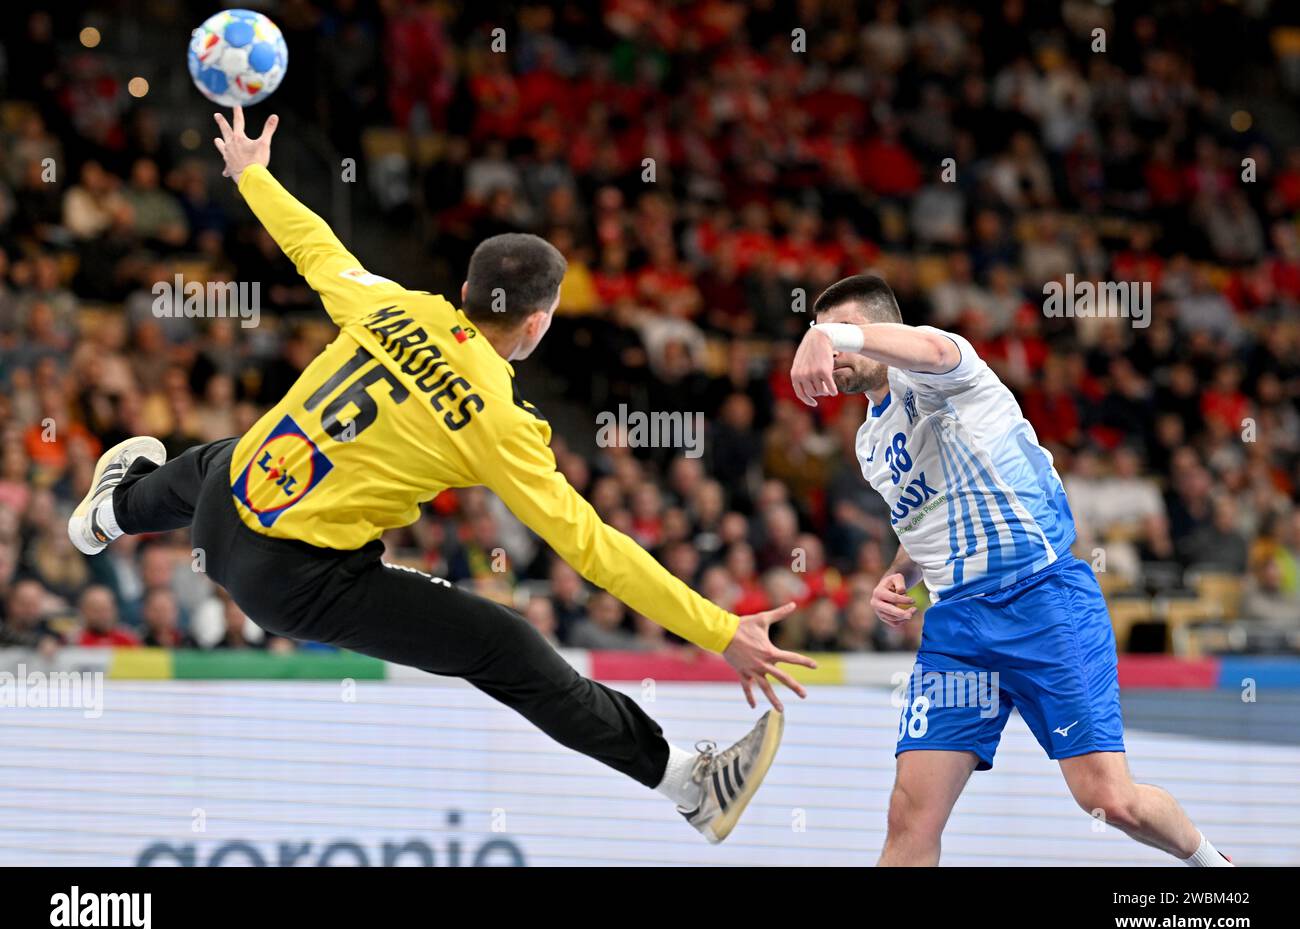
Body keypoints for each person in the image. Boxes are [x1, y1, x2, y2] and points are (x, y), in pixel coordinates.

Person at [68, 108, 815, 844]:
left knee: (234, 452)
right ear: (537, 323)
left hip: (222, 513)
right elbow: (593, 548)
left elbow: (314, 247)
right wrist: (719, 630)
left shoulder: (392, 305)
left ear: (464, 289)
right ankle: (688, 784)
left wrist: (254, 176)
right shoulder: (500, 422)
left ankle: (111, 514)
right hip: (293, 583)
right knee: (507, 648)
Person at [789, 274, 1231, 866]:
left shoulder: (944, 368)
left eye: (844, 334)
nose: (835, 350)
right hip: (957, 629)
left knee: (1108, 799)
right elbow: (924, 524)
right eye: (825, 337)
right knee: (909, 817)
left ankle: (1218, 869)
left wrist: (829, 335)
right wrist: (899, 575)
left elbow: (925, 347)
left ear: (874, 329)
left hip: (1043, 599)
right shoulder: (870, 443)